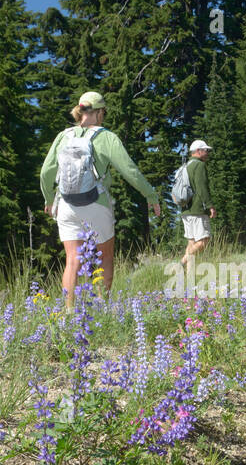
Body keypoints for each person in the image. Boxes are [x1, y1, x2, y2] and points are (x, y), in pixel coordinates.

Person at [40, 91, 161, 306]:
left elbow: (46, 173)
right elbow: (130, 170)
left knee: (72, 260)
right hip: (97, 202)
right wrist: (150, 195)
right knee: (105, 255)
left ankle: (69, 312)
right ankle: (101, 307)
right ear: (100, 112)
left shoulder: (63, 136)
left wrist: (49, 200)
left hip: (66, 204)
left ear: (80, 111)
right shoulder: (106, 137)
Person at [180, 139, 216, 274]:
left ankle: (189, 276)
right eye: (206, 150)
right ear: (198, 151)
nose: (208, 153)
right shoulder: (199, 166)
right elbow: (202, 188)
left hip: (185, 210)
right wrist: (210, 205)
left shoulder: (185, 166)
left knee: (191, 242)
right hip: (197, 210)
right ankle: (182, 262)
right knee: (204, 240)